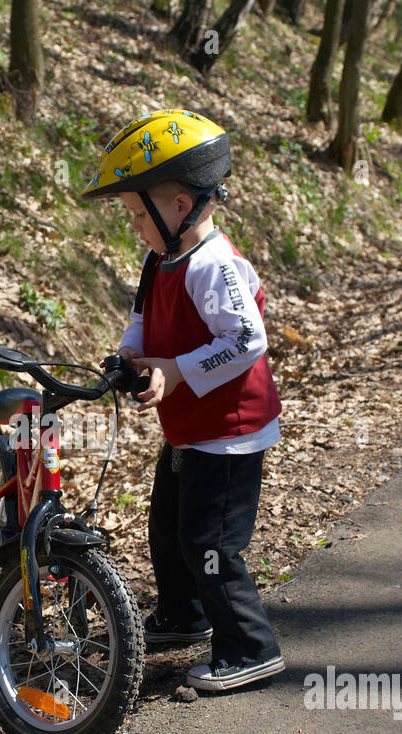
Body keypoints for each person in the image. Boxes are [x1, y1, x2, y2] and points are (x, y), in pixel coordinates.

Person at [80, 109, 285, 692]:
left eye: (139, 214)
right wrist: (128, 358)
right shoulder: (159, 260)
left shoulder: (212, 264)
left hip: (229, 431)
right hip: (188, 428)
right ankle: (183, 614)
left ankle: (250, 647)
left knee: (210, 543)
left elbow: (248, 340)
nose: (134, 226)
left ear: (179, 206)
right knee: (167, 529)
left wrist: (176, 369)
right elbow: (141, 320)